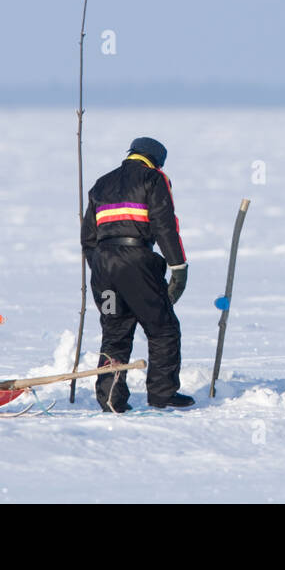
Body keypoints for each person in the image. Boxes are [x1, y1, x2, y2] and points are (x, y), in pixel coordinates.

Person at [81, 137, 193, 412]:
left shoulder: (101, 183)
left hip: (103, 269)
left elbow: (88, 238)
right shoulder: (153, 179)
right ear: (156, 160)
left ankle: (111, 398)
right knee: (163, 328)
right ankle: (162, 394)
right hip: (137, 264)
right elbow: (165, 225)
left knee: (114, 330)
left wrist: (102, 270)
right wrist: (178, 267)